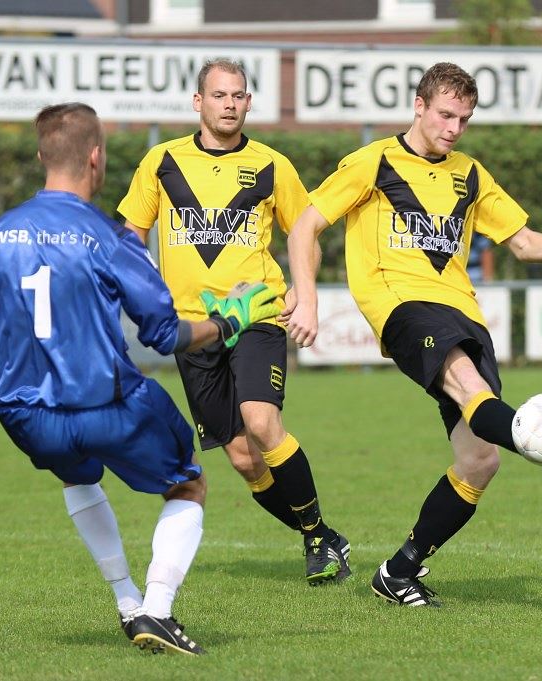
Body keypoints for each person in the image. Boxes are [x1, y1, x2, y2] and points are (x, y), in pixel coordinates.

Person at [285, 62, 542, 606]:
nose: (453, 127)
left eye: (463, 119)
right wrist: (305, 297)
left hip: (462, 312)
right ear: (419, 106)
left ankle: (398, 572)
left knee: (479, 461)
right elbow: (306, 224)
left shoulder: (469, 173)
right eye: (445, 114)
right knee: (475, 393)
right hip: (402, 308)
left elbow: (522, 242)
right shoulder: (372, 162)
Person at [0, 103, 280, 655]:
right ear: (96, 158)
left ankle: (126, 601)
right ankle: (156, 610)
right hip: (105, 404)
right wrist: (233, 318)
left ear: (42, 157)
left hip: (23, 414)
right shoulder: (107, 236)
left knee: (77, 476)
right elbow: (166, 335)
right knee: (188, 483)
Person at [117, 58, 350, 584]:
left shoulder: (272, 166)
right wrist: (130, 291)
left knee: (261, 419)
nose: (229, 103)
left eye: (238, 95)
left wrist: (305, 294)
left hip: (255, 316)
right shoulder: (162, 162)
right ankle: (324, 534)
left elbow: (305, 231)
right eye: (219, 95)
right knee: (245, 460)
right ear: (198, 102)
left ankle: (315, 540)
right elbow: (130, 235)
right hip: (192, 328)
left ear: (248, 103)